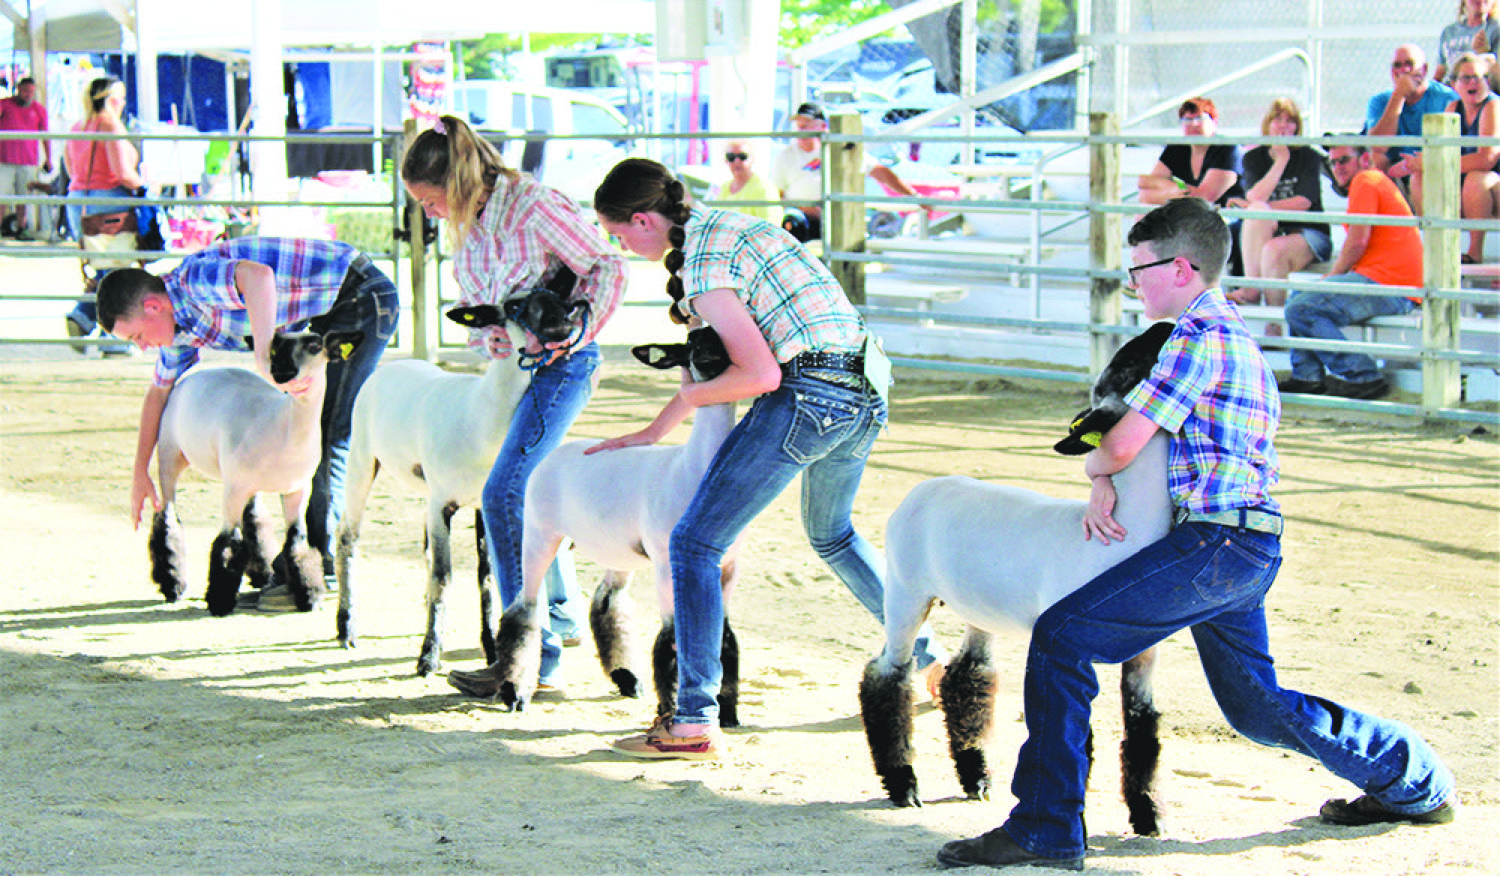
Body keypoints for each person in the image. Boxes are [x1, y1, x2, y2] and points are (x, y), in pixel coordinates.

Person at [934, 197, 1456, 871]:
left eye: (1140, 269)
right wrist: (1107, 472)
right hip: (1247, 544)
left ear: (1180, 267)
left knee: (1061, 637)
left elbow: (1122, 442)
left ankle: (1044, 824)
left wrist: (1095, 465)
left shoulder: (1194, 336)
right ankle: (1411, 779)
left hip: (1213, 544)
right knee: (1256, 709)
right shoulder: (1234, 334)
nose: (1135, 284)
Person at [591, 157, 945, 761]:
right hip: (866, 386)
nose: (620, 244)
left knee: (694, 543)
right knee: (832, 534)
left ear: (645, 219)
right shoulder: (735, 228)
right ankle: (932, 660)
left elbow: (757, 373)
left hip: (812, 391)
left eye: (619, 233)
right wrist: (657, 428)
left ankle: (693, 718)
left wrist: (687, 397)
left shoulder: (703, 264)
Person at [403, 115, 627, 696]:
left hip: (561, 364)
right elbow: (476, 310)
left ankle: (530, 656)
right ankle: (558, 620)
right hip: (509, 375)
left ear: (455, 181)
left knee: (507, 490)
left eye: (429, 200)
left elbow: (607, 265)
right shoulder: (471, 229)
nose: (428, 213)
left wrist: (576, 334)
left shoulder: (531, 204)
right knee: (528, 488)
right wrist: (491, 338)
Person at [95, 238, 399, 608]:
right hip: (324, 311)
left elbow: (258, 277)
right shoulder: (178, 330)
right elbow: (159, 393)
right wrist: (140, 469)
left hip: (359, 296)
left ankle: (318, 567)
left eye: (137, 336)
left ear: (153, 306)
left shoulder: (192, 281)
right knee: (297, 417)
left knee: (326, 425)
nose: (142, 347)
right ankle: (294, 564)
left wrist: (263, 350)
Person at [1280, 142, 1423, 401]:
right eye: (1333, 162)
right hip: (1387, 281)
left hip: (1390, 284)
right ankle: (1307, 376)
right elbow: (1359, 242)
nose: (1337, 167)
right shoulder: (1371, 181)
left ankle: (1363, 375)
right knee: (1298, 298)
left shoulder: (1366, 180)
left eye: (1343, 159)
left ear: (1365, 158)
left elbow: (1357, 241)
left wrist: (1332, 276)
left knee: (1300, 308)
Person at [1225, 97, 1333, 329]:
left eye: (1290, 121)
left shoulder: (1308, 156)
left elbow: (1303, 202)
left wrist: (1259, 208)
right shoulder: (1253, 158)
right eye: (1278, 119)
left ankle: (1274, 325)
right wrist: (1279, 162)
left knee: (1271, 246)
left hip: (1310, 233)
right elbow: (1255, 198)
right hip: (1270, 232)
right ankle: (1252, 289)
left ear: (1297, 128)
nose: (1284, 125)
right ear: (1267, 123)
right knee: (1258, 213)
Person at [64, 76, 147, 348]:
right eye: (120, 98)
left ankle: (84, 316)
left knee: (103, 268)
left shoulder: (77, 127)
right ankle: (115, 338)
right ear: (111, 99)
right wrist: (147, 186)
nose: (123, 103)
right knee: (119, 269)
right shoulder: (110, 126)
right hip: (109, 203)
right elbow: (121, 172)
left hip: (79, 200)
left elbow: (69, 167)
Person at [769, 101, 922, 243]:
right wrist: (803, 207)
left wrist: (914, 196)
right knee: (793, 223)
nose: (801, 130)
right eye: (799, 125)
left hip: (836, 215)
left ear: (823, 127)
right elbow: (778, 194)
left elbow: (880, 172)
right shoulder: (786, 156)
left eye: (807, 125)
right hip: (803, 218)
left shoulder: (840, 150)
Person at [1409, 52, 1498, 264]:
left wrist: (1433, 161)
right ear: (1453, 84)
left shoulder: (1493, 105)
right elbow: (1440, 155)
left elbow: (1487, 159)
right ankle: (1435, 247)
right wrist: (1419, 163)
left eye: (1479, 77)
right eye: (1465, 78)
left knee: (1476, 179)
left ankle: (1474, 252)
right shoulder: (1452, 108)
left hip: (1490, 186)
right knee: (1419, 178)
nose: (1473, 83)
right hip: (1466, 186)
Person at [1367, 44, 1459, 181]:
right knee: (1374, 160)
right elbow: (1378, 146)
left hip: (1433, 167)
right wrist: (1399, 96)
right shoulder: (1379, 101)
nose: (1404, 70)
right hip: (1395, 169)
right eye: (1397, 65)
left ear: (1424, 69)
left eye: (1410, 64)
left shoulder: (1447, 98)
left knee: (1419, 177)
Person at [1136, 97, 1244, 209]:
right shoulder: (1178, 147)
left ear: (1214, 122)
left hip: (1223, 216)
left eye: (1199, 118)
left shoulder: (1227, 148)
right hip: (1185, 210)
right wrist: (1173, 190)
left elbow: (1203, 198)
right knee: (1144, 212)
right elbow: (1144, 186)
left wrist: (1167, 193)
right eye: (1187, 120)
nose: (1194, 124)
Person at [0, 76, 53, 240]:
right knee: (2, 196)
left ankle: (21, 228)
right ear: (18, 89)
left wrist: (48, 158)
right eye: (25, 91)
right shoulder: (5, 105)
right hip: (4, 160)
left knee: (24, 197)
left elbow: (46, 135)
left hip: (28, 160)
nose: (27, 95)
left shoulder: (39, 109)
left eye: (30, 92)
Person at [705, 140, 778, 225]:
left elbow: (771, 226)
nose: (737, 161)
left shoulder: (765, 188)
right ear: (726, 160)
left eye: (742, 156)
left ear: (752, 159)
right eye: (731, 157)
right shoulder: (721, 188)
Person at [1433, 0, 1498, 83]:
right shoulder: (1449, 32)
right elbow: (1441, 71)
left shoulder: (1495, 30)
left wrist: (1483, 54)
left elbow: (1496, 77)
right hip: (1452, 90)